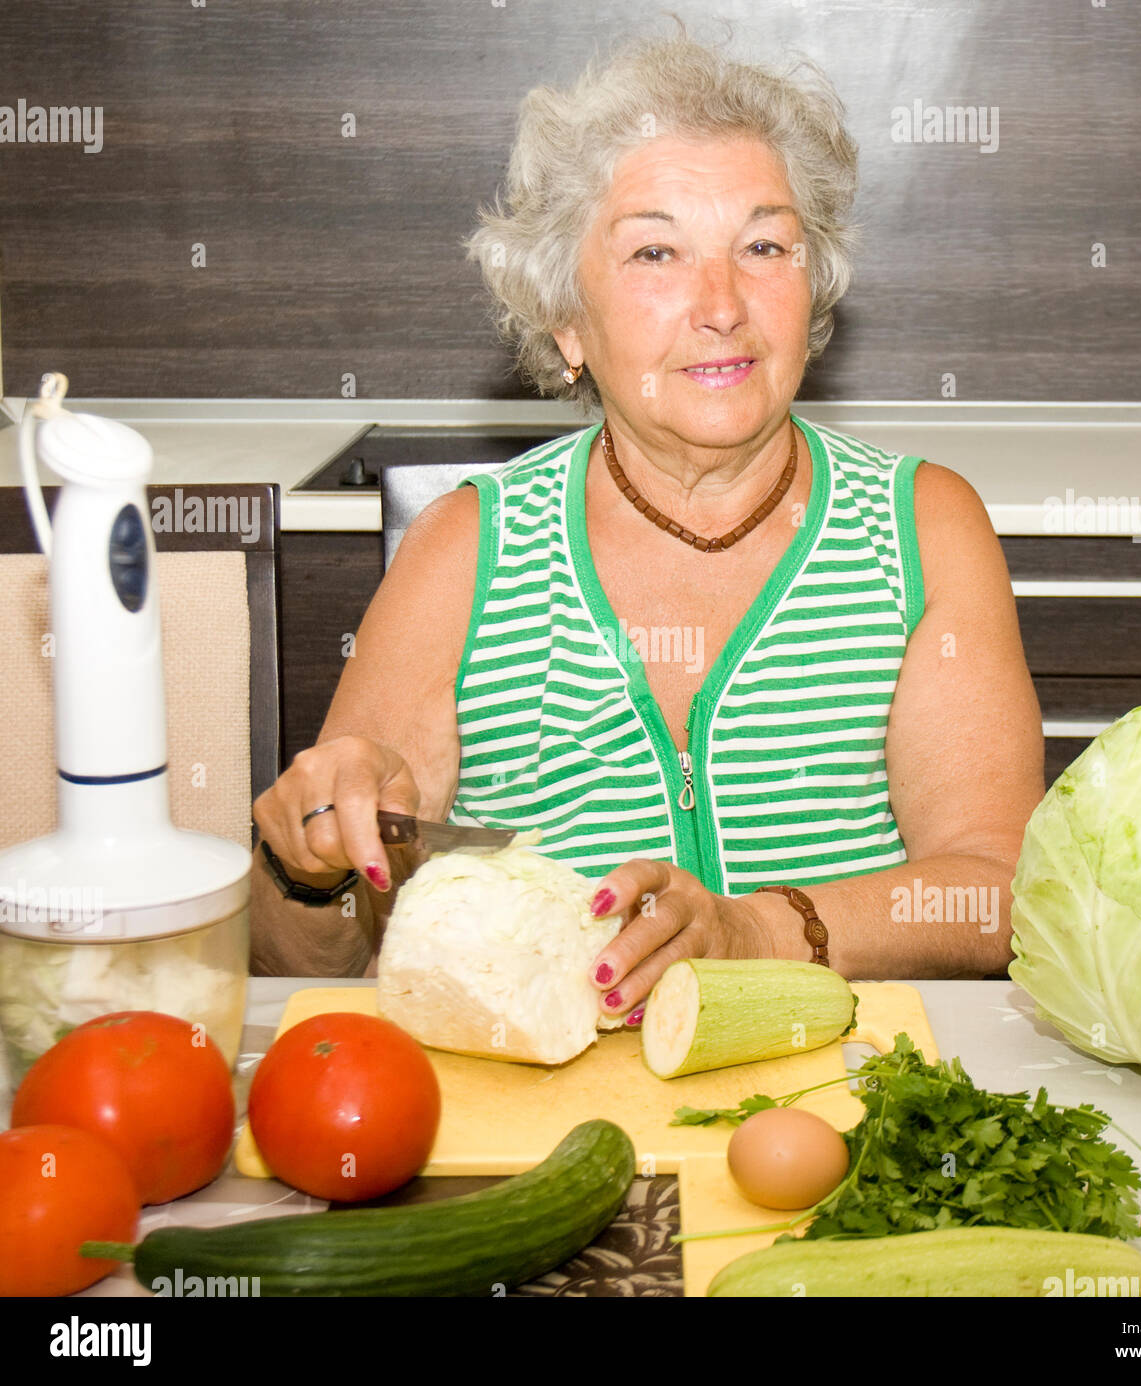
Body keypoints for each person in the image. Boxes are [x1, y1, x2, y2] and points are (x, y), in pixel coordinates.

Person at [251, 33, 1045, 1026]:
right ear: (566, 324)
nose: (721, 307)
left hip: (858, 1096)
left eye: (763, 246)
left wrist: (758, 932)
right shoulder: (464, 552)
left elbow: (989, 891)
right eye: (655, 252)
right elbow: (313, 968)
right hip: (553, 1112)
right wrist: (310, 869)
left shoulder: (923, 527)